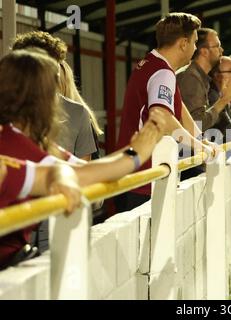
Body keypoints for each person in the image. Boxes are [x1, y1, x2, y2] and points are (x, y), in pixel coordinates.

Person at [0, 49, 167, 269]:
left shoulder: (24, 138)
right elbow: (82, 174)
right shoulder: (12, 141)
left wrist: (133, 150)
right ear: (39, 98)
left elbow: (79, 168)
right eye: (54, 90)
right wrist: (136, 154)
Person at [116, 13, 217, 212]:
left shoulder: (152, 64)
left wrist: (201, 140)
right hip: (143, 178)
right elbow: (162, 116)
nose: (195, 49)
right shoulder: (163, 72)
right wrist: (198, 146)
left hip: (133, 173)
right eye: (195, 42)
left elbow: (179, 109)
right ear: (183, 43)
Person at [12, 31, 99, 160]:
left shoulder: (78, 113)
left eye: (55, 73)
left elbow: (83, 170)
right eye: (44, 73)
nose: (53, 80)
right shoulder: (7, 113)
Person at [177, 28, 231, 131]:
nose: (221, 50)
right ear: (204, 51)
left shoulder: (200, 77)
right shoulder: (191, 77)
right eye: (217, 46)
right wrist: (224, 100)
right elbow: (197, 126)